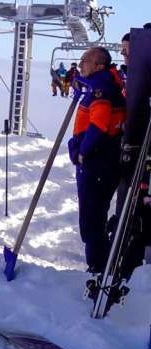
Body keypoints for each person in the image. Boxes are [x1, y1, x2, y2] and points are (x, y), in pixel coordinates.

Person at [67, 47, 125, 284]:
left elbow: (99, 126)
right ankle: (99, 267)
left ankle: (97, 270)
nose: (81, 65)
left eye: (84, 61)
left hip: (97, 163)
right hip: (99, 162)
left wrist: (81, 152)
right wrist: (79, 81)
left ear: (99, 65)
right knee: (93, 216)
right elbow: (89, 82)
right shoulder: (100, 85)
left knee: (92, 218)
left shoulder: (102, 92)